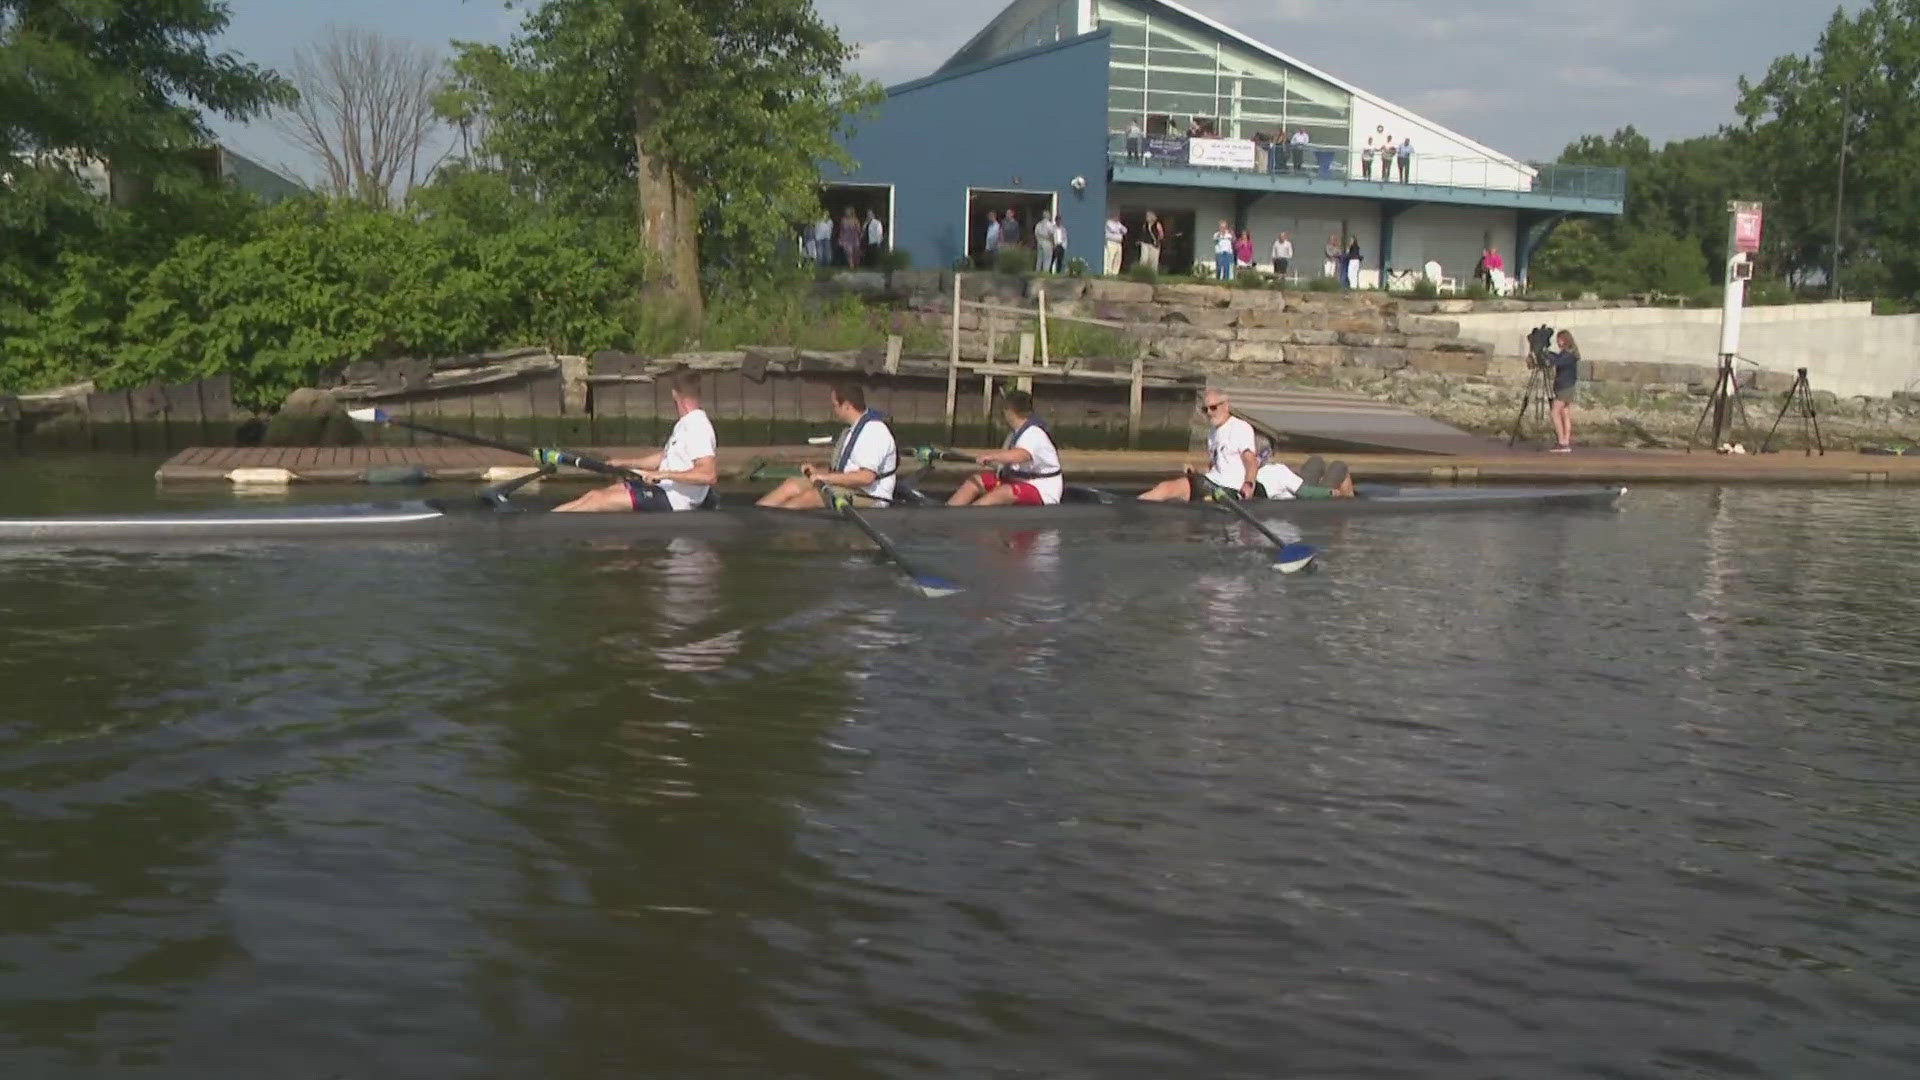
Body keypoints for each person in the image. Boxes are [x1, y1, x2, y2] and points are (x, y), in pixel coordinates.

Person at [554, 370, 717, 513]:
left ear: (675, 394)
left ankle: (543, 527)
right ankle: (542, 521)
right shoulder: (685, 423)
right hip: (663, 489)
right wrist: (626, 463)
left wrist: (662, 474)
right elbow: (666, 457)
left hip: (674, 501)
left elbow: (708, 475)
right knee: (594, 495)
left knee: (598, 501)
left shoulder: (698, 427)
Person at [757, 383, 898, 508]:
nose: (834, 409)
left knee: (809, 497)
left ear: (847, 406)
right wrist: (818, 472)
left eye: (835, 405)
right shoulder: (851, 431)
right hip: (848, 487)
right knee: (791, 485)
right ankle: (757, 517)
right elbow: (844, 469)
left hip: (870, 496)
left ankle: (776, 526)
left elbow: (865, 478)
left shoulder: (874, 432)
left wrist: (823, 478)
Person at [946, 390, 1063, 507]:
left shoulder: (1033, 433)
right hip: (1018, 480)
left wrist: (991, 456)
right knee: (975, 481)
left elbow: (1021, 455)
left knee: (1001, 493)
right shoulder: (1015, 433)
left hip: (1042, 489)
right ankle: (948, 512)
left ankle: (969, 517)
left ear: (1009, 411)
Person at [1139, 391, 1258, 501]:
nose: (1209, 413)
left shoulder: (1239, 427)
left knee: (1167, 488)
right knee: (1169, 489)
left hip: (1229, 488)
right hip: (1213, 483)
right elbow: (1215, 467)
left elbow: (1250, 460)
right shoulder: (1213, 432)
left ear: (1226, 406)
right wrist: (1196, 470)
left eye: (1213, 408)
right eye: (1205, 409)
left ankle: (1133, 507)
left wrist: (1248, 484)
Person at [1542, 329, 1580, 452]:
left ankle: (1561, 442)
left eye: (1558, 340)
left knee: (1555, 413)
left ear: (1564, 340)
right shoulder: (1569, 353)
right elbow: (1557, 358)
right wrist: (1547, 353)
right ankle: (1565, 441)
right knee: (1564, 413)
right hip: (1566, 386)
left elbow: (1557, 361)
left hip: (1565, 387)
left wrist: (1546, 355)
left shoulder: (1568, 355)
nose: (1557, 342)